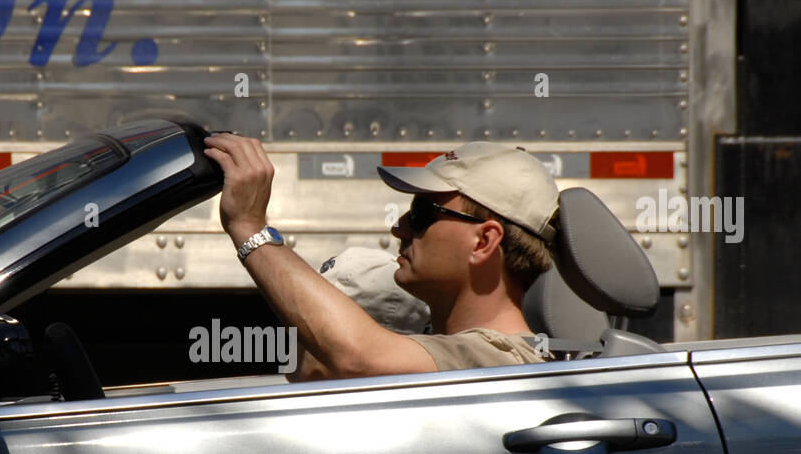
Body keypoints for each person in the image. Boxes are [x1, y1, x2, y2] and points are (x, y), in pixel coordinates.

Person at [202, 134, 557, 379]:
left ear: (484, 241)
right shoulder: (452, 351)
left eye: (421, 214)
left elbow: (357, 357)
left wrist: (250, 227)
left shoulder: (503, 361)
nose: (399, 228)